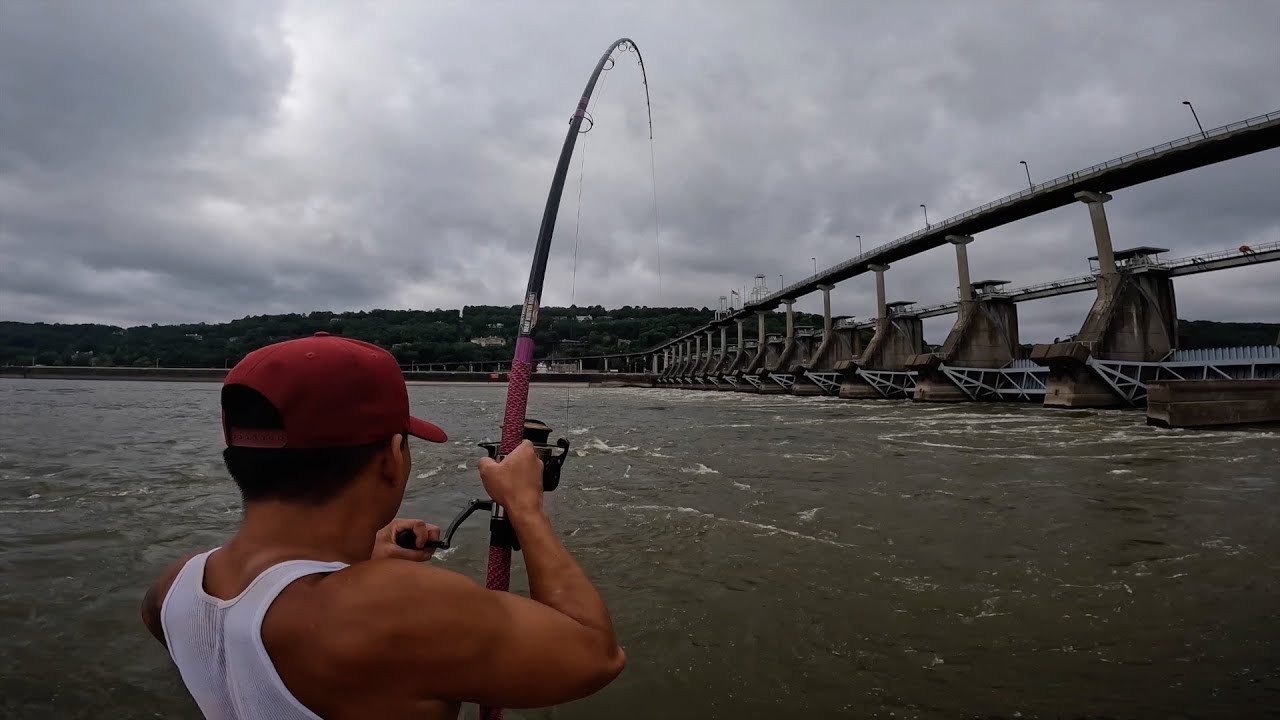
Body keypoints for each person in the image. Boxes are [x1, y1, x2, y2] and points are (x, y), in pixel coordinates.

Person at [139, 332, 625, 719]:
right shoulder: (396, 605)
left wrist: (363, 560)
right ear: (393, 458)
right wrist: (525, 507)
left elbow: (269, 629)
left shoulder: (172, 590)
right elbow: (595, 656)